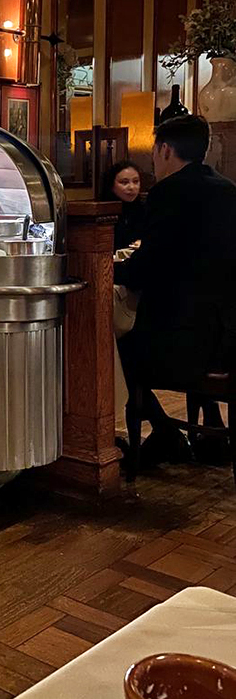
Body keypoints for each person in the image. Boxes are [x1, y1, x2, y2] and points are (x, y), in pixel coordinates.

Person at [115, 115, 236, 466]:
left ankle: (165, 432)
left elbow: (147, 269)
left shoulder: (169, 193)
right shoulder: (228, 189)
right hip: (226, 333)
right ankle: (208, 431)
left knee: (116, 344)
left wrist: (109, 269)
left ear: (165, 149)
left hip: (187, 340)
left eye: (155, 150)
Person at [102, 160, 145, 250]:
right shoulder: (104, 211)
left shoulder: (145, 208)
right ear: (112, 185)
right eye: (124, 183)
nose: (131, 187)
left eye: (136, 181)